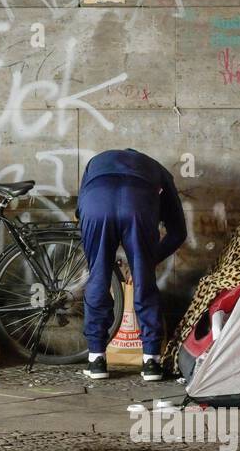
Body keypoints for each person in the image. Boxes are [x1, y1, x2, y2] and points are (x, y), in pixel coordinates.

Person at [77, 149, 187, 382]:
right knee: (144, 282)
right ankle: (151, 362)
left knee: (98, 278)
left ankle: (96, 359)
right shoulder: (158, 170)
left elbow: (80, 208)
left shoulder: (96, 162)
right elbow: (178, 232)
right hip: (138, 203)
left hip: (96, 202)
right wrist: (147, 262)